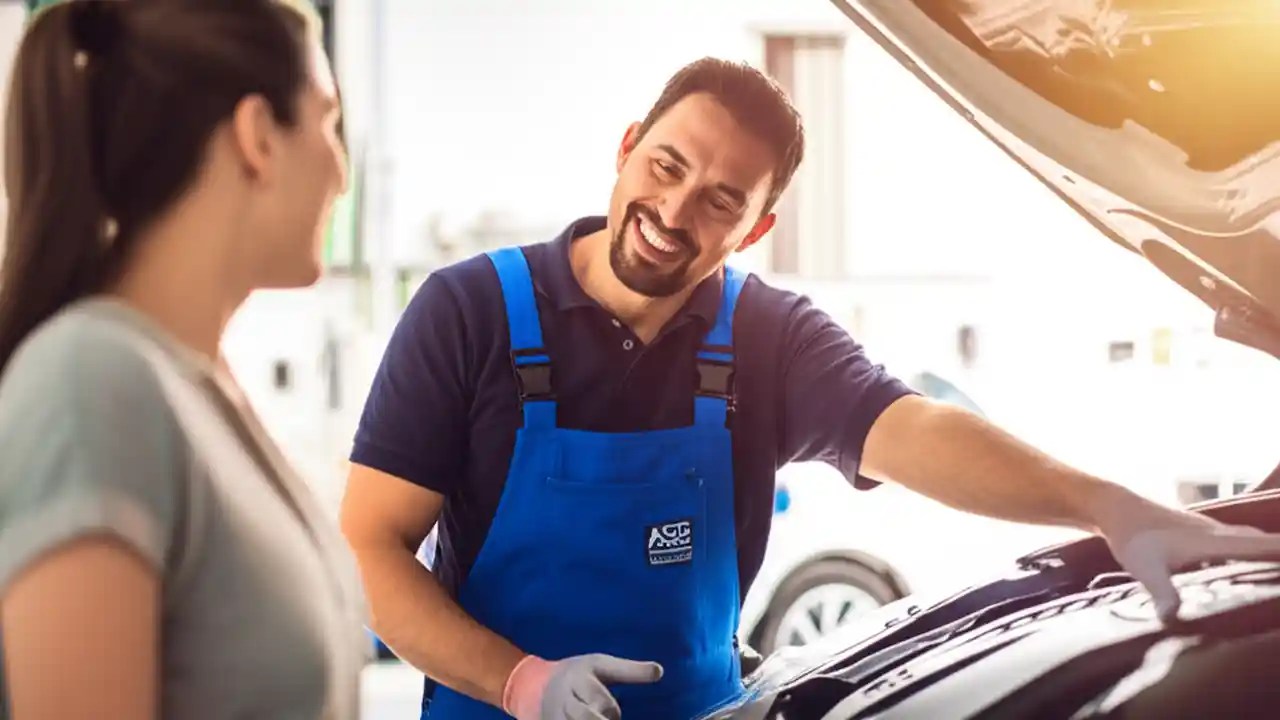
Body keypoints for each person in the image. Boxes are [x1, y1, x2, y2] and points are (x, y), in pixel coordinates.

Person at [339, 57, 1280, 720]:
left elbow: (911, 431)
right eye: (667, 166)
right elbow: (372, 552)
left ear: (755, 227)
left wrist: (1107, 505)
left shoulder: (764, 335)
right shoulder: (471, 312)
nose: (674, 212)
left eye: (720, 199)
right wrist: (523, 685)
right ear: (627, 148)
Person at [0, 1, 368, 718]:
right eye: (327, 122)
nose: (342, 172)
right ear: (258, 136)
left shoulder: (196, 386)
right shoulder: (90, 381)